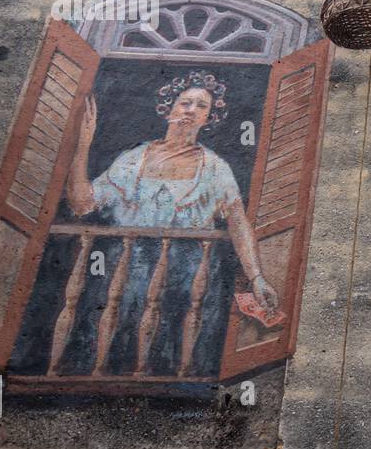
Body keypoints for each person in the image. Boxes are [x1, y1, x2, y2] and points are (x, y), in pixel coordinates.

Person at [48, 70, 275, 376]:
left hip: (183, 284)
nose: (191, 110)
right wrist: (83, 145)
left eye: (201, 107)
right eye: (185, 103)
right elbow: (82, 204)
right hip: (122, 278)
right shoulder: (134, 158)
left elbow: (237, 222)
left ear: (209, 119)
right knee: (112, 337)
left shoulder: (216, 169)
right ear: (169, 109)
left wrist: (257, 276)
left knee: (168, 347)